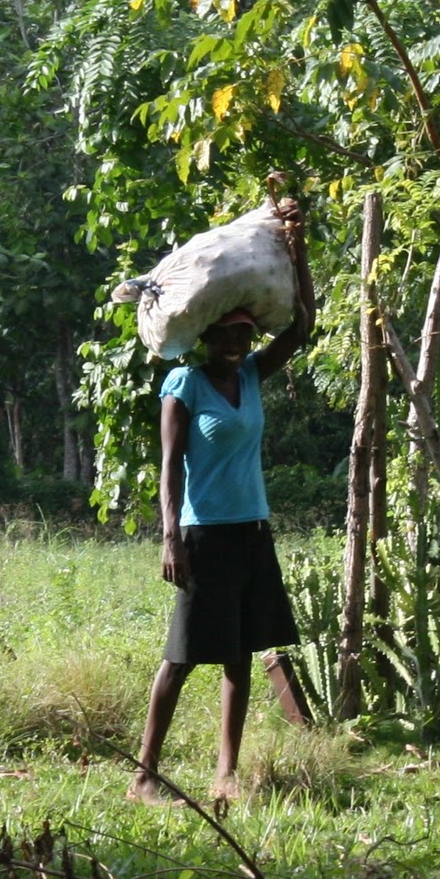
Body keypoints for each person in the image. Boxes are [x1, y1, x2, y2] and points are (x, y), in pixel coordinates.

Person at [128, 201, 315, 804]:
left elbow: (302, 327)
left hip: (251, 531)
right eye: (226, 333)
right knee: (181, 659)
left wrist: (298, 247)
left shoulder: (255, 375)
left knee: (240, 658)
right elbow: (169, 469)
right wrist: (171, 538)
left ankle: (226, 774)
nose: (237, 342)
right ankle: (144, 775)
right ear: (205, 335)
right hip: (203, 533)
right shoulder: (183, 384)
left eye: (243, 333)